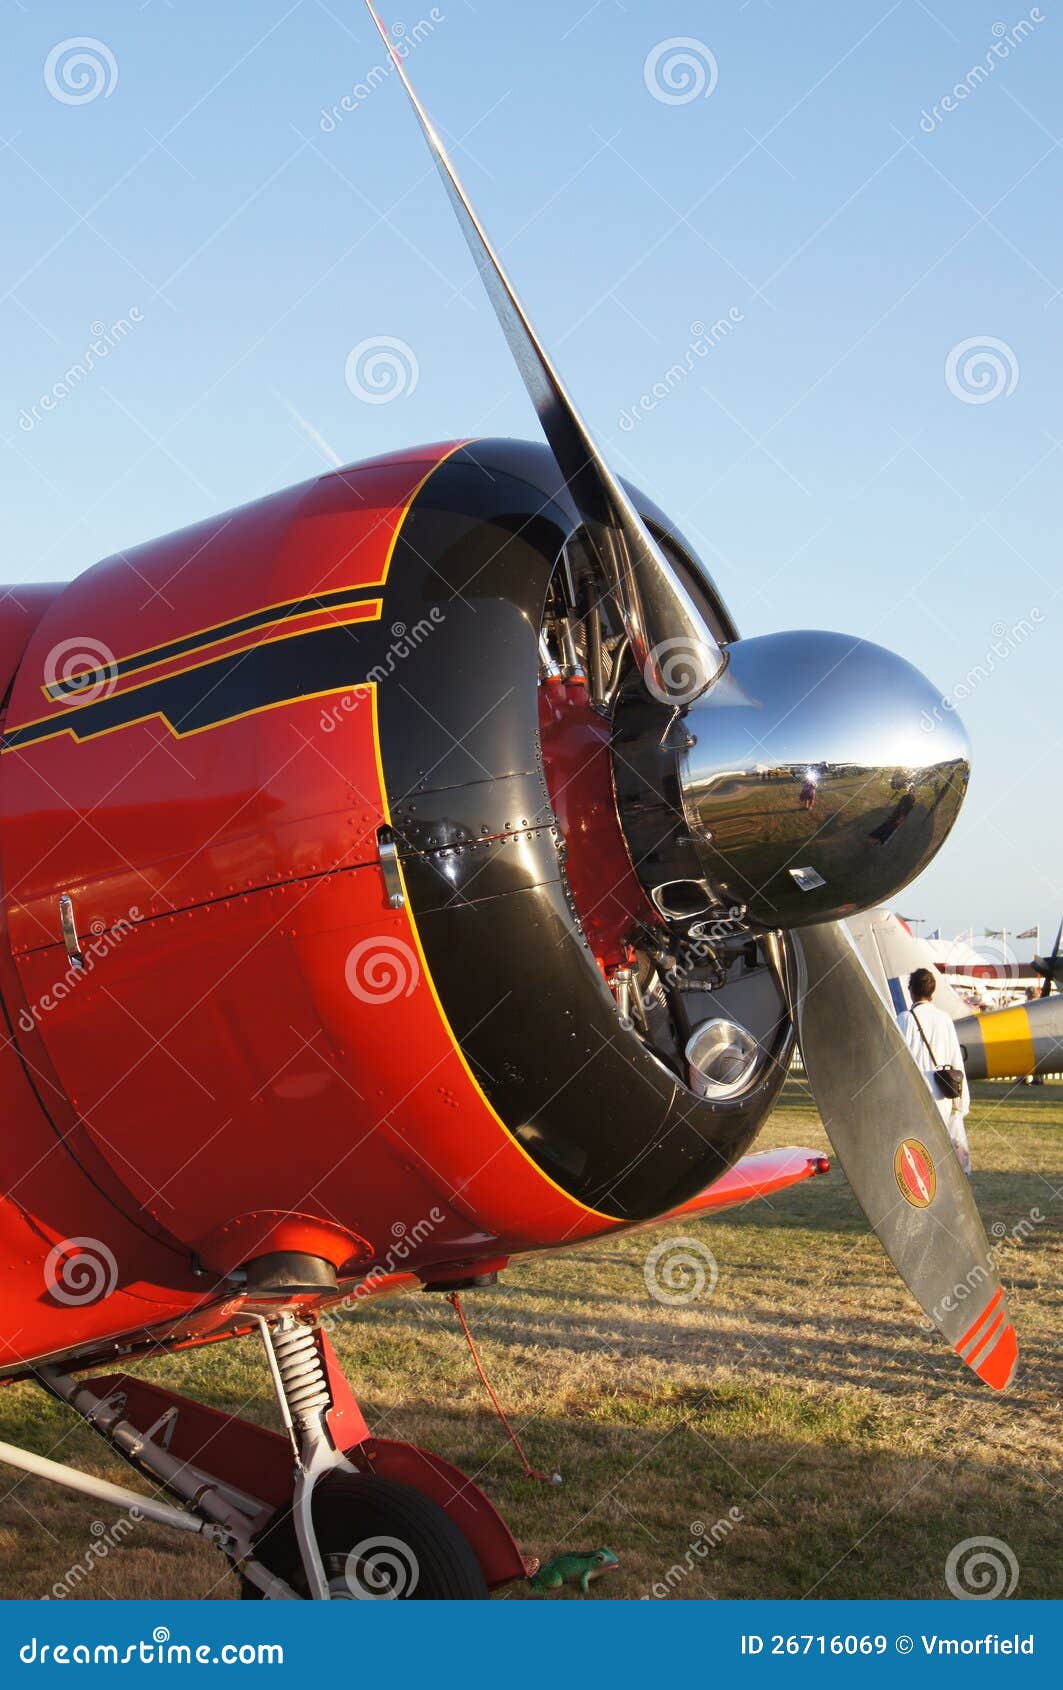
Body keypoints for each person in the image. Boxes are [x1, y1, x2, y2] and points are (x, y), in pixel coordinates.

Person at [897, 967, 972, 1174]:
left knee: (918, 1148)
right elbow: (955, 1060)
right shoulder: (944, 1019)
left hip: (915, 1095)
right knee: (941, 1150)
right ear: (932, 991)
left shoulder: (904, 1019)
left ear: (911, 990)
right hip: (943, 1094)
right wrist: (960, 1102)